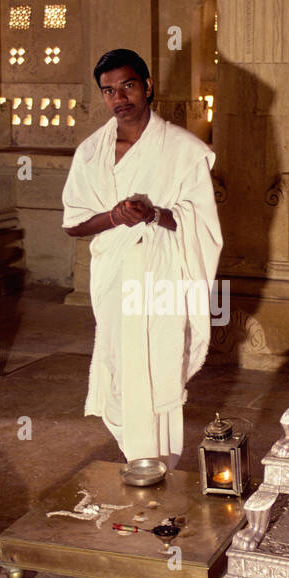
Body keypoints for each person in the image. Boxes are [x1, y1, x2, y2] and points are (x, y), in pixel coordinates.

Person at [62, 49, 223, 469]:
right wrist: (116, 216)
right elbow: (74, 223)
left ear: (148, 86)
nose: (119, 97)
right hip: (115, 276)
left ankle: (158, 460)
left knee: (159, 360)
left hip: (163, 275)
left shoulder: (183, 149)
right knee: (122, 361)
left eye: (128, 85)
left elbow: (201, 221)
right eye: (109, 90)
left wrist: (153, 213)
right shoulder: (91, 152)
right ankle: (137, 455)